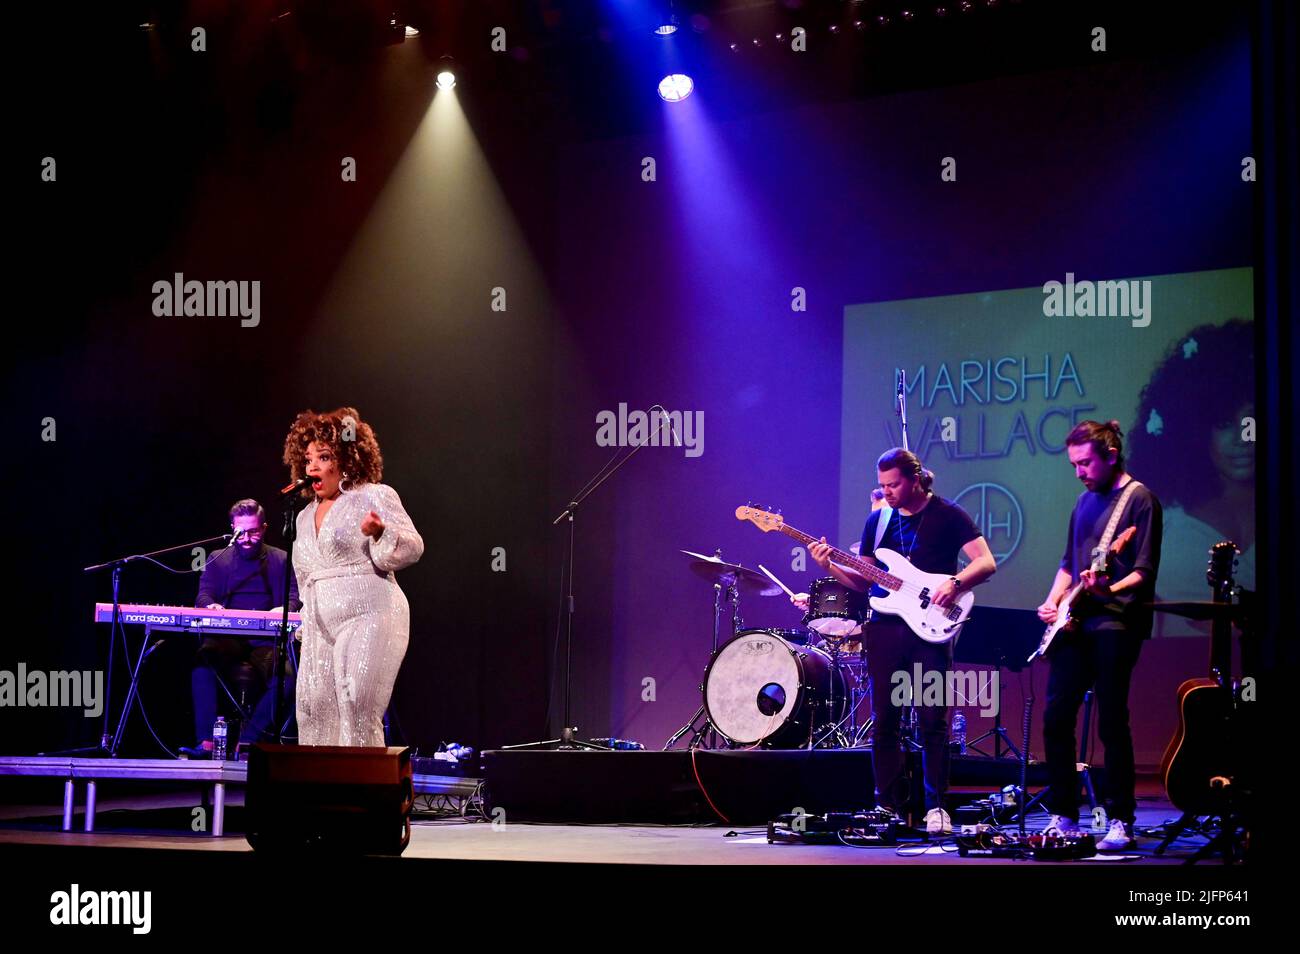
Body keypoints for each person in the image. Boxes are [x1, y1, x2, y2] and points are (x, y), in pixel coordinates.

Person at [798, 448, 996, 835]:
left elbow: (985, 562)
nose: (887, 492)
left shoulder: (949, 514)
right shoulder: (878, 520)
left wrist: (954, 583)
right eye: (882, 485)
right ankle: (886, 804)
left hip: (932, 628)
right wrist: (829, 565)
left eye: (894, 484)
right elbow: (864, 579)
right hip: (886, 628)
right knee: (885, 719)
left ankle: (937, 806)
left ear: (915, 479)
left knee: (931, 719)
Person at [1036, 420, 1162, 851]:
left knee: (1111, 720)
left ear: (1111, 455)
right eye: (1074, 464)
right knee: (1055, 718)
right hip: (1074, 623)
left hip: (1115, 621)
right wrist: (1053, 601)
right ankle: (1065, 815)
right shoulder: (1083, 503)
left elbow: (1143, 573)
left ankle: (1121, 819)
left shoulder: (1140, 499)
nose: (1080, 472)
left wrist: (1107, 587)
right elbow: (1068, 564)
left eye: (1086, 462)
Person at [282, 407, 424, 746]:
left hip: (370, 614)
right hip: (320, 624)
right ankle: (320, 796)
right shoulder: (303, 517)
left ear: (347, 459)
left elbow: (412, 548)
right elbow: (304, 575)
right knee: (314, 709)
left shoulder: (373, 495)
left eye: (324, 456)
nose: (312, 466)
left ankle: (363, 795)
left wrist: (380, 532)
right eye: (307, 459)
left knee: (356, 703)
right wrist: (306, 620)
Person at [184, 498, 301, 757]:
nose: (247, 538)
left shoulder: (281, 559)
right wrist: (211, 606)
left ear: (265, 528)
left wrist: (285, 609)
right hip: (229, 638)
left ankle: (248, 742)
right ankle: (206, 743)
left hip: (265, 641)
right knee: (203, 663)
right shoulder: (218, 558)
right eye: (241, 532)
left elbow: (294, 596)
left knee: (288, 679)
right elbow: (202, 596)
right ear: (232, 528)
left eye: (254, 531)